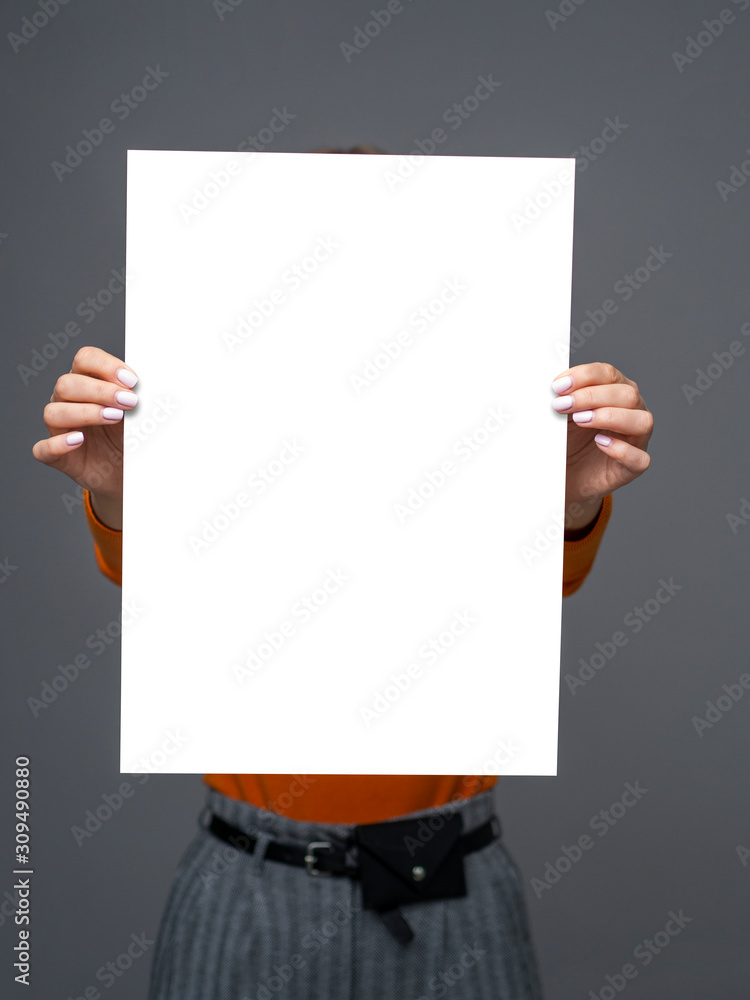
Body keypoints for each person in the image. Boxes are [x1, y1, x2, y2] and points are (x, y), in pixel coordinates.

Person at [32, 145, 654, 999]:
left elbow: (527, 589)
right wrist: (127, 492)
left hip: (448, 882)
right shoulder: (230, 418)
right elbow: (175, 587)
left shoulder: (472, 414)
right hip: (247, 886)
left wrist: (566, 501)